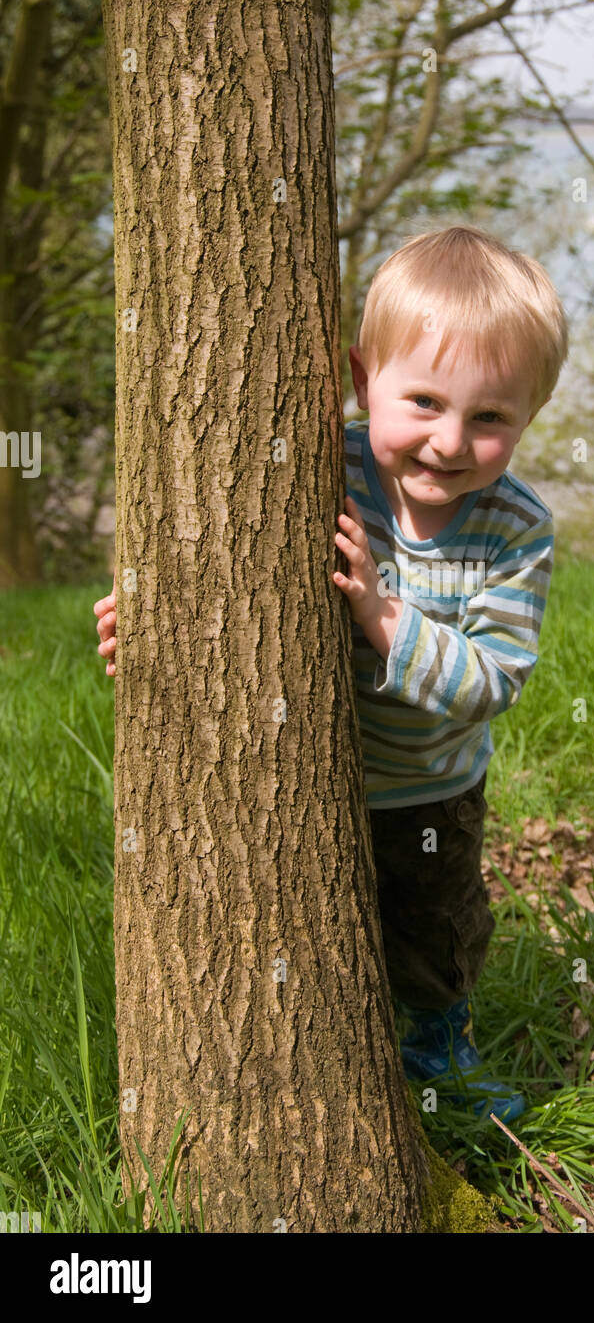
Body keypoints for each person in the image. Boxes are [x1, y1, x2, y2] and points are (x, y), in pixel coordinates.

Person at [95, 224, 568, 1124]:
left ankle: (437, 1048)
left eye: (490, 418)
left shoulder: (512, 527)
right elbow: (212, 552)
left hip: (427, 787)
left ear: (529, 417)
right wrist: (149, 620)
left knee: (431, 932)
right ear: (362, 381)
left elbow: (494, 680)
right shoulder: (320, 463)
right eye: (423, 401)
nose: (449, 442)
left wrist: (386, 616)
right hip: (301, 772)